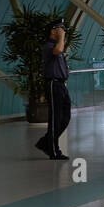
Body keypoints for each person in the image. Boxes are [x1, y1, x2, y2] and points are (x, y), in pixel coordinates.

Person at [35, 19, 71, 160]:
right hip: (53, 84)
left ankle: (45, 142)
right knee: (55, 118)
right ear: (53, 31)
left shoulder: (57, 46)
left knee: (65, 117)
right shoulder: (49, 46)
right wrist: (61, 38)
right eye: (59, 29)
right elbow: (58, 50)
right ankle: (54, 151)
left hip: (61, 85)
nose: (62, 31)